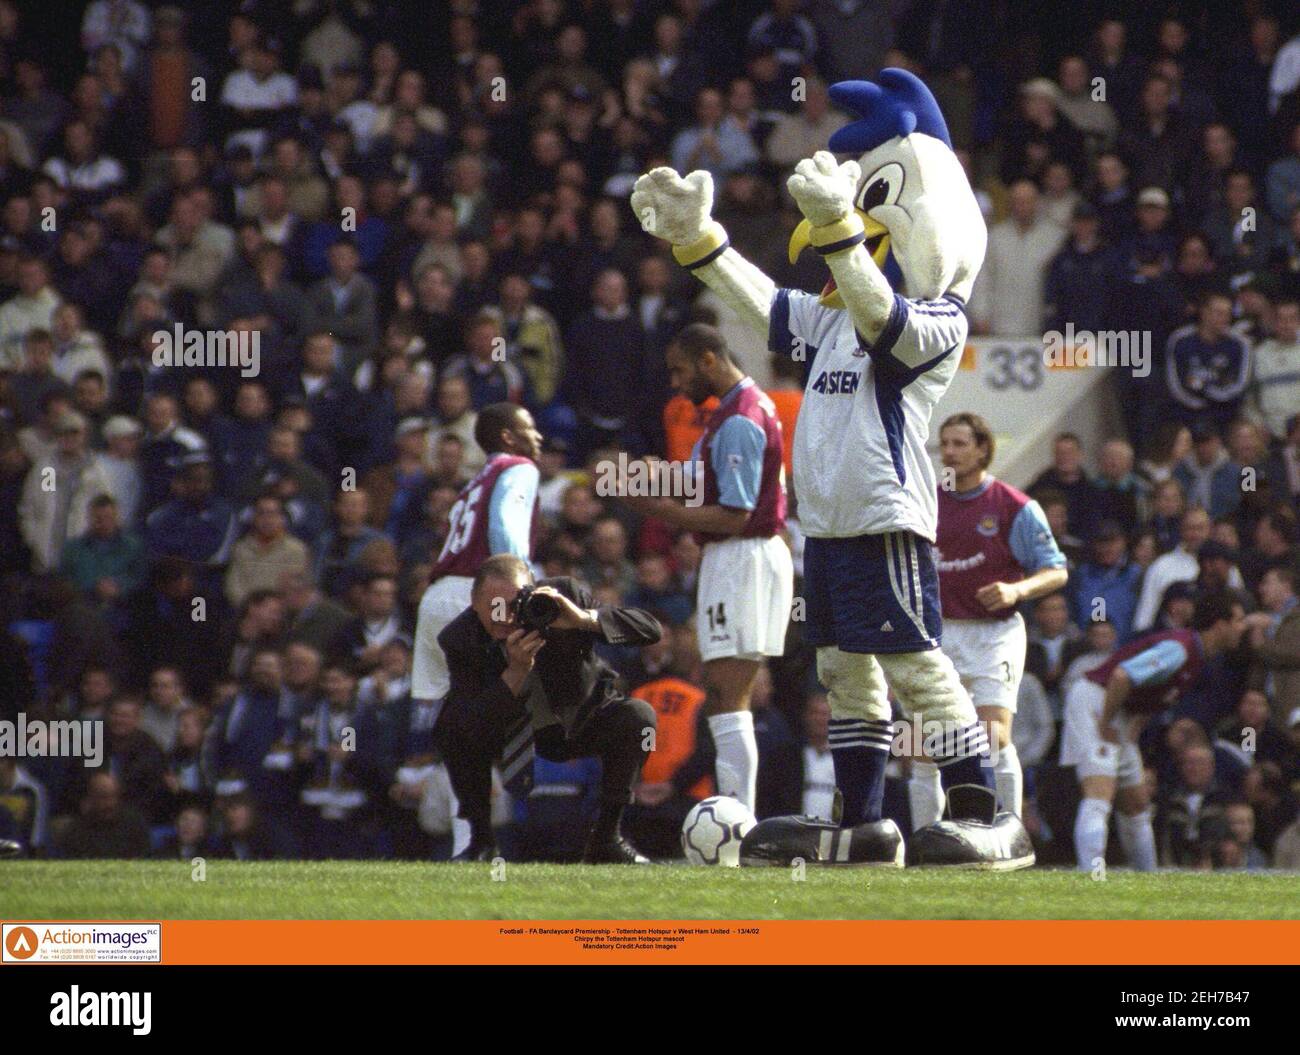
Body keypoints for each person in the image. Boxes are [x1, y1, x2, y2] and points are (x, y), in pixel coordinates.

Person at [615, 323, 792, 811]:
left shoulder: (739, 418)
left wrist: (656, 508)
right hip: (740, 556)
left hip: (742, 554)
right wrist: (660, 475)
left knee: (727, 694)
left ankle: (739, 819)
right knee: (722, 695)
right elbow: (706, 481)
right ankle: (737, 814)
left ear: (708, 360)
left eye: (680, 370)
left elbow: (734, 514)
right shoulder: (732, 412)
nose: (675, 383)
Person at [437, 554, 662, 862]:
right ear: (474, 603)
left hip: (579, 720)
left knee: (641, 719)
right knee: (450, 725)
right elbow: (473, 722)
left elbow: (651, 630)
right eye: (494, 608)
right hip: (515, 732)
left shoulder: (558, 599)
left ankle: (607, 840)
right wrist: (514, 672)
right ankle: (481, 842)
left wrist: (584, 620)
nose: (505, 618)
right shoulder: (459, 638)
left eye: (513, 606)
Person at [912, 413, 1067, 827]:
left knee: (994, 737)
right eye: (945, 443)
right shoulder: (927, 499)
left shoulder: (1013, 506)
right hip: (939, 632)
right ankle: (926, 838)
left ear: (983, 448)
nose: (950, 452)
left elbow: (1056, 569)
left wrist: (1016, 590)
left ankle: (1008, 832)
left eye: (960, 444)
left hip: (994, 633)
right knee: (923, 743)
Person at [409, 403, 541, 849]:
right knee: (488, 714)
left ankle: (466, 840)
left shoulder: (473, 482)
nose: (537, 437)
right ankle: (478, 839)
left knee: (454, 722)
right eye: (529, 428)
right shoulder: (518, 468)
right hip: (477, 593)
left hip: (436, 598)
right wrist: (523, 585)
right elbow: (506, 523)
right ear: (508, 437)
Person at [1060, 589, 1247, 871]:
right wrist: (1107, 723)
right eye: (1239, 620)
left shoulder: (1197, 655)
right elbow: (1123, 676)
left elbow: (1154, 691)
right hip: (1098, 700)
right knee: (1099, 794)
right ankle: (1090, 877)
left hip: (1119, 710)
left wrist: (1135, 724)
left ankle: (1147, 878)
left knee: (1136, 805)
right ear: (1220, 624)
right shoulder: (1179, 649)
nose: (1243, 627)